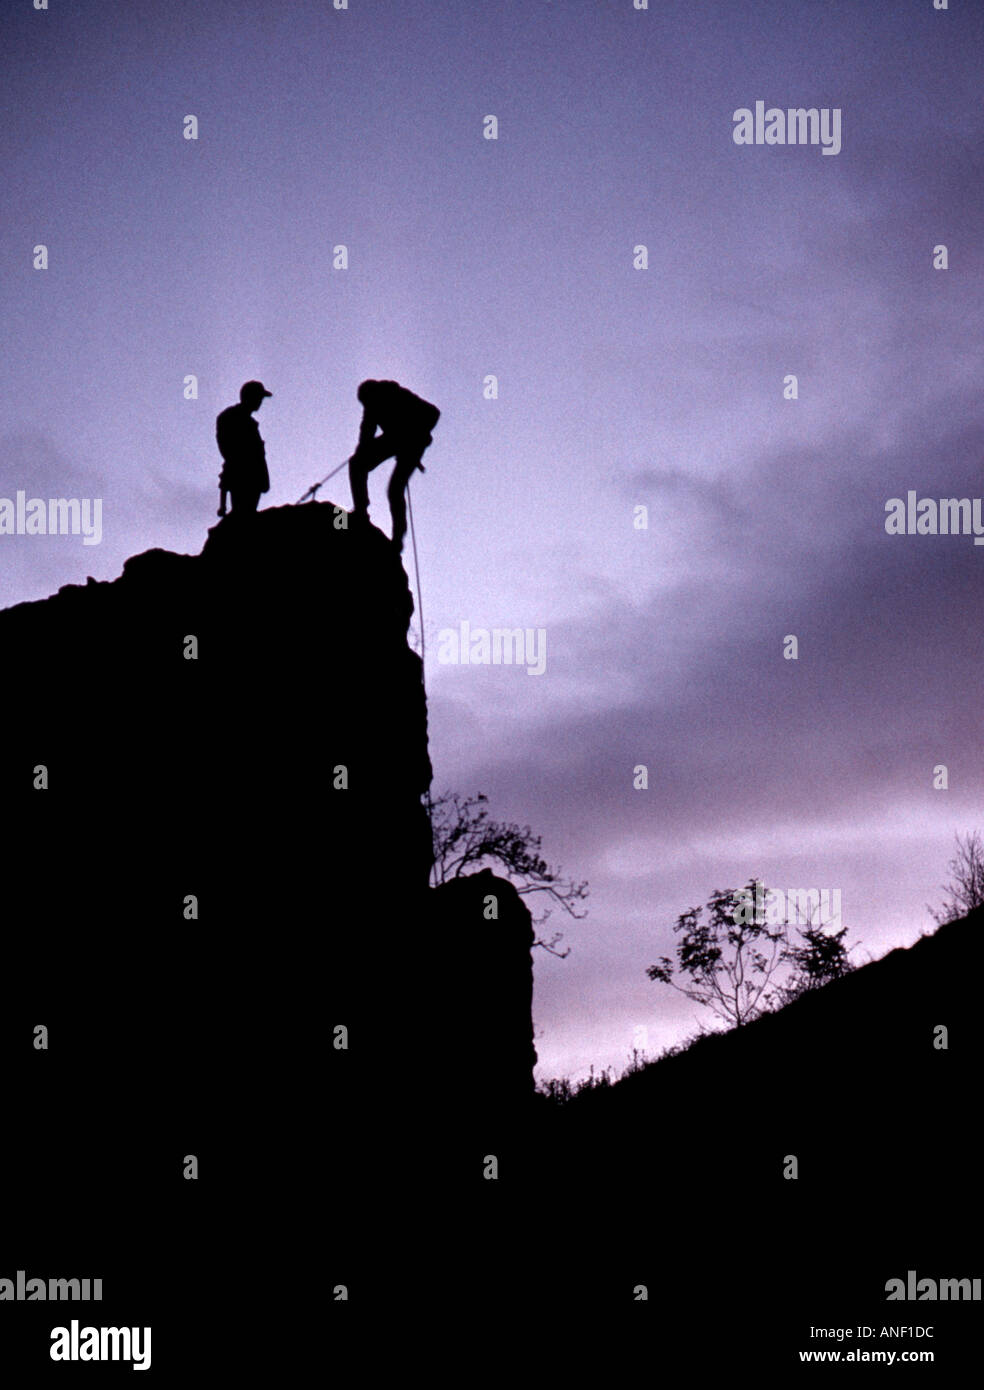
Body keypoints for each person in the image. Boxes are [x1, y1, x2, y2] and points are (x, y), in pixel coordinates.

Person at [348, 380, 439, 551]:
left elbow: (433, 413)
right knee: (357, 463)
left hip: (413, 442)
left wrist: (414, 432)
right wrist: (362, 450)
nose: (368, 407)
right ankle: (361, 511)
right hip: (394, 439)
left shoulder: (397, 395)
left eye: (368, 402)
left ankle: (397, 539)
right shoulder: (371, 405)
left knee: (395, 489)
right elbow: (367, 431)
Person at [215, 381, 273, 517]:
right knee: (242, 516)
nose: (260, 402)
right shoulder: (230, 417)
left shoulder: (251, 424)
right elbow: (230, 454)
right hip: (242, 480)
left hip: (254, 482)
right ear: (250, 397)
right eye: (259, 397)